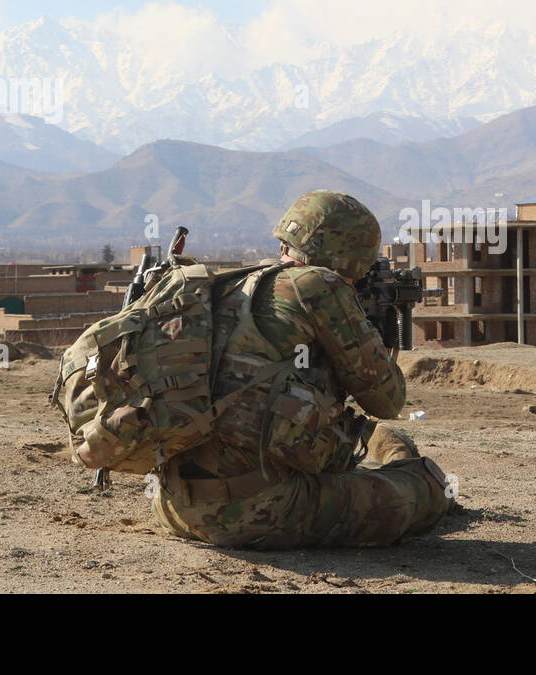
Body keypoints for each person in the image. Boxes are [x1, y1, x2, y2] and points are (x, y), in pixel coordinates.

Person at [151, 190, 452, 548]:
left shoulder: (233, 283)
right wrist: (365, 327)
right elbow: (387, 400)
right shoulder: (320, 286)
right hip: (260, 513)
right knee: (429, 482)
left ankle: (388, 450)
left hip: (173, 505)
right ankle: (400, 459)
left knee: (364, 445)